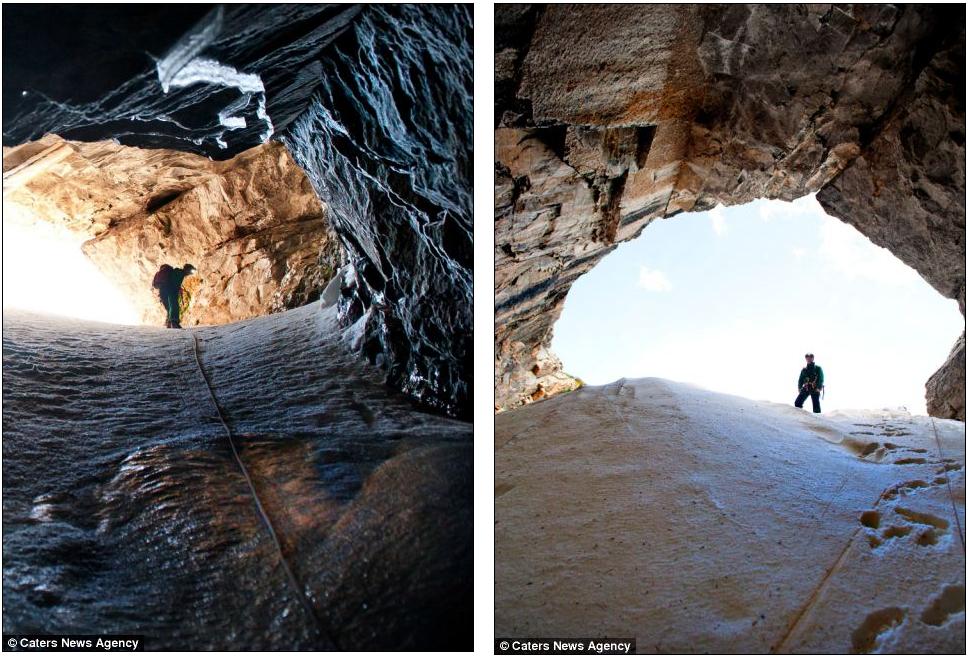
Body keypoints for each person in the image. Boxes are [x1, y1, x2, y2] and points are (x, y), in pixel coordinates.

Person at [152, 263, 196, 328]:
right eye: (190, 271)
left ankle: (169, 323)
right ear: (187, 269)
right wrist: (176, 291)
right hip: (170, 291)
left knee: (169, 307)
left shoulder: (176, 272)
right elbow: (174, 284)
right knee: (174, 305)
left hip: (162, 290)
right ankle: (174, 322)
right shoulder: (179, 273)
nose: (190, 273)